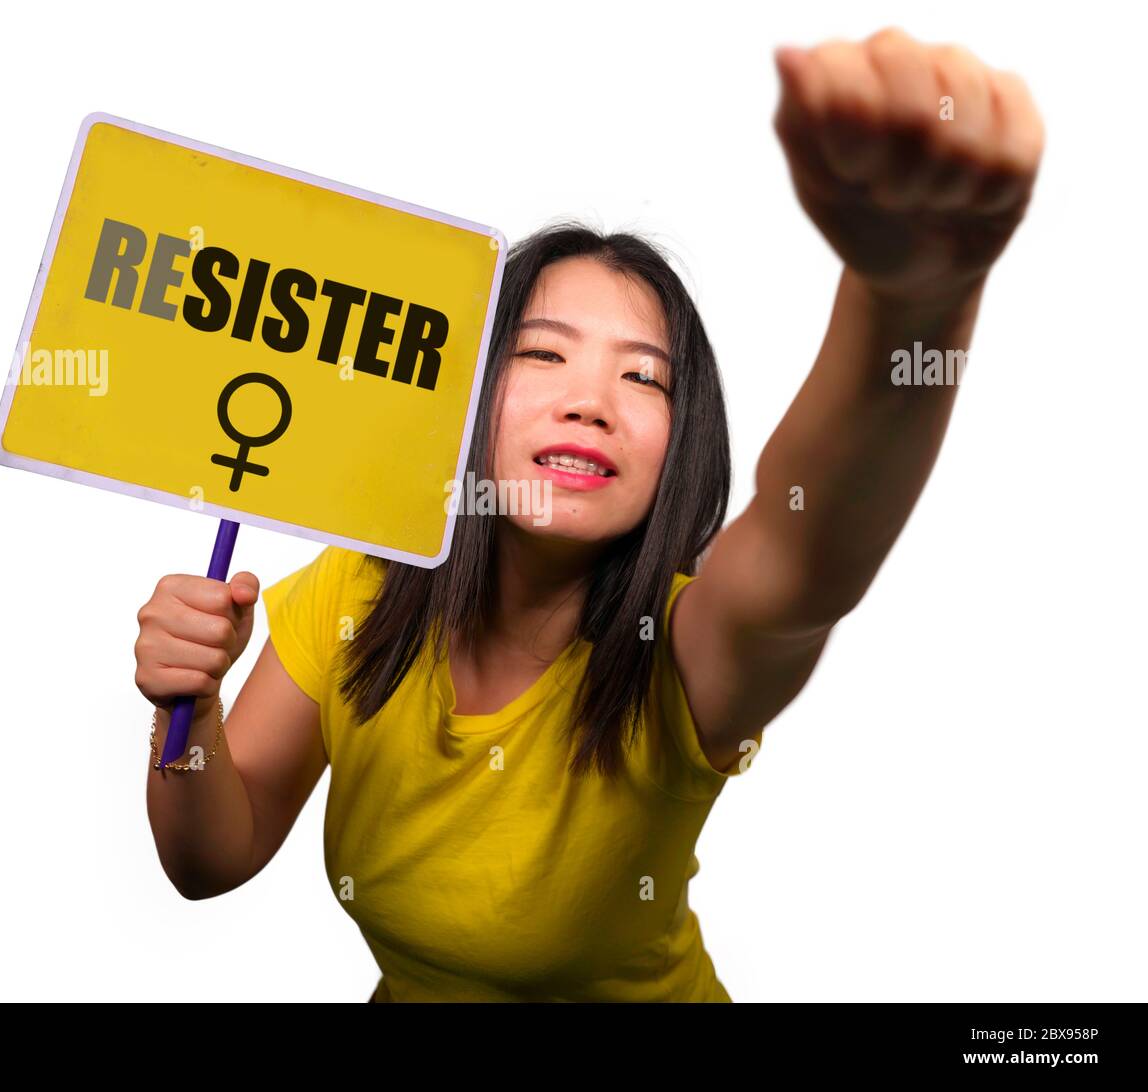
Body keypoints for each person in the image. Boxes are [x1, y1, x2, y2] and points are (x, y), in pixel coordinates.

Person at [135, 27, 1044, 1002]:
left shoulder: (689, 653)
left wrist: (914, 300)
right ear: (469, 394)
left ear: (679, 444)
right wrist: (189, 711)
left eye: (643, 377)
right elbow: (212, 861)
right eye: (541, 354)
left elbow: (808, 544)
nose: (589, 399)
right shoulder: (358, 585)